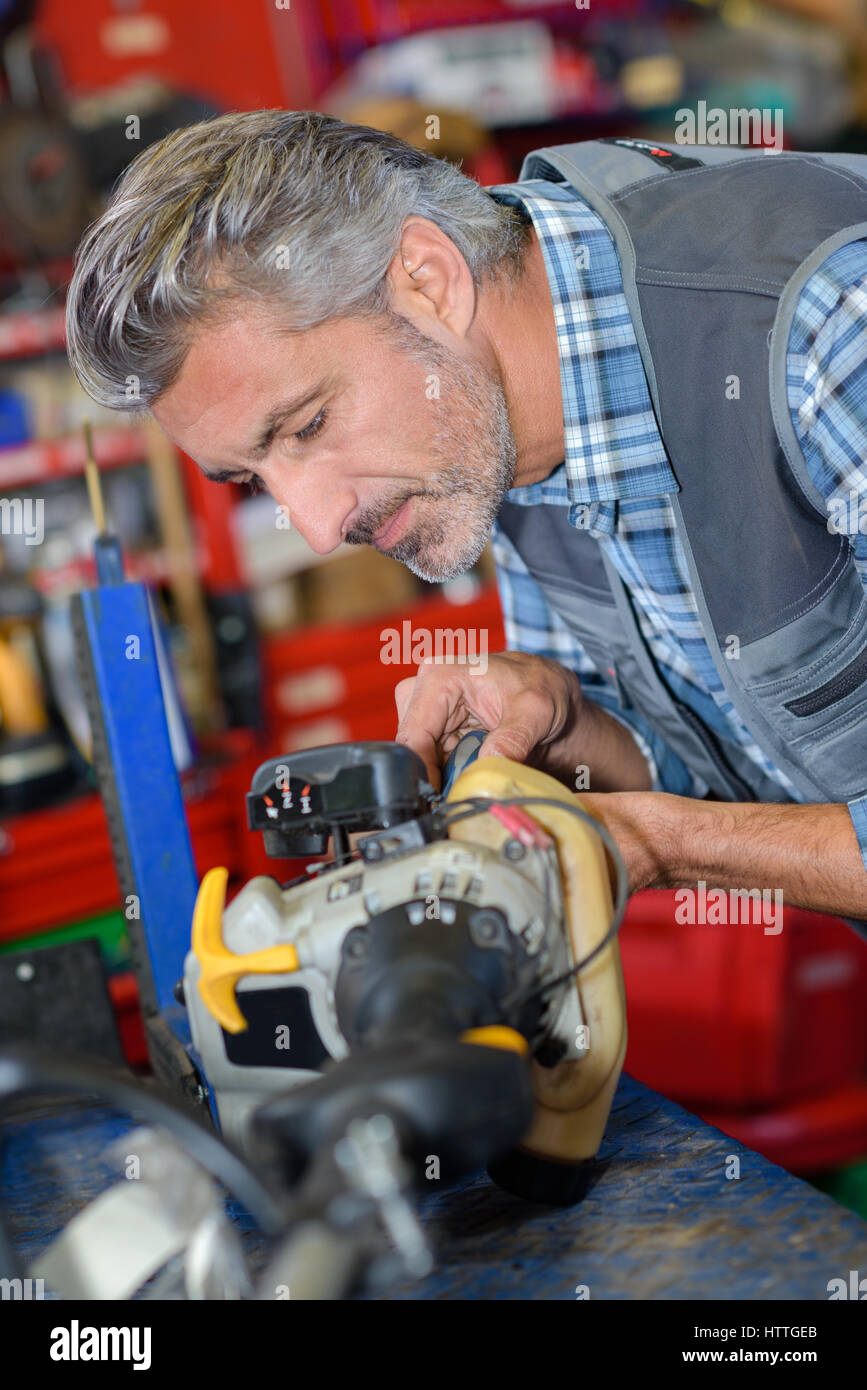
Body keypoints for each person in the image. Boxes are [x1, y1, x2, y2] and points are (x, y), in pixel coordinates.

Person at [65, 110, 867, 929]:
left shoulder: (826, 323)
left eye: (306, 426)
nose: (313, 526)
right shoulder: (494, 432)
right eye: (249, 476)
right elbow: (722, 774)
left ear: (428, 280)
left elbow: (685, 824)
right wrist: (571, 730)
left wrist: (671, 844)